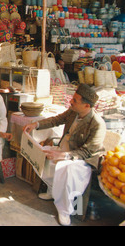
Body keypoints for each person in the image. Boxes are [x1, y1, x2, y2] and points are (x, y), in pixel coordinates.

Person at [23, 83, 106, 226]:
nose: (70, 102)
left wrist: (64, 156)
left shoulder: (97, 124)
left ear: (87, 106)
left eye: (75, 100)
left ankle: (64, 210)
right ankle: (53, 190)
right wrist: (35, 125)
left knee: (66, 168)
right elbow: (56, 120)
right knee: (42, 154)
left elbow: (86, 152)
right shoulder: (73, 112)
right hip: (63, 150)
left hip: (82, 160)